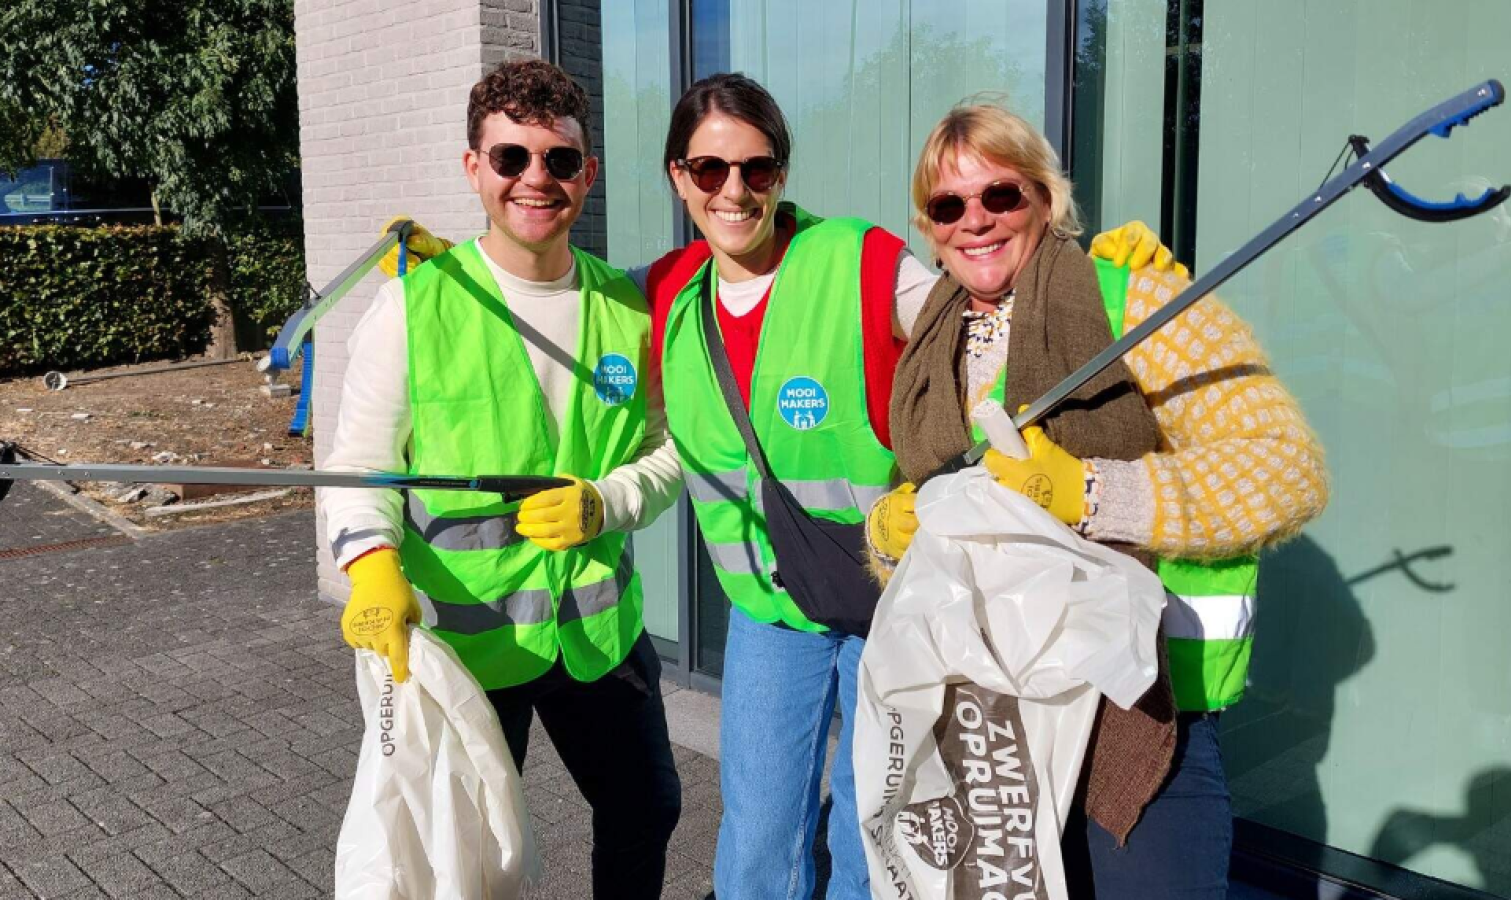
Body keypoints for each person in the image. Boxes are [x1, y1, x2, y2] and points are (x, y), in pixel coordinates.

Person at [382, 72, 1170, 900]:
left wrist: (1090, 284)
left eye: (756, 169)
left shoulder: (860, 261)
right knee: (759, 837)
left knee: (871, 829)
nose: (734, 190)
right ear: (678, 176)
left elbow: (985, 316)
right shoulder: (662, 292)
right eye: (709, 169)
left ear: (781, 174)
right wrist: (471, 279)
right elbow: (561, 296)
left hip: (892, 600)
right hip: (770, 611)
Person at [875, 102, 1329, 898]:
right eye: (949, 206)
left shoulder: (1136, 306)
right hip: (989, 729)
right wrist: (888, 535)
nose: (975, 220)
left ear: (1045, 197)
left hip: (1142, 717)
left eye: (1001, 194)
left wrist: (1089, 493)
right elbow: (919, 532)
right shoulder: (931, 345)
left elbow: (1287, 470)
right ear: (928, 228)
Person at [322, 59, 682, 900]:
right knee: (466, 852)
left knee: (647, 809)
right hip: (468, 643)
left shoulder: (629, 310)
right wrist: (370, 567)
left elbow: (668, 452)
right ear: (473, 167)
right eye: (511, 157)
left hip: (596, 636)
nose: (535, 179)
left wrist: (608, 502)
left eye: (560, 160)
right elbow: (358, 468)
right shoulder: (412, 309)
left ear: (587, 173)